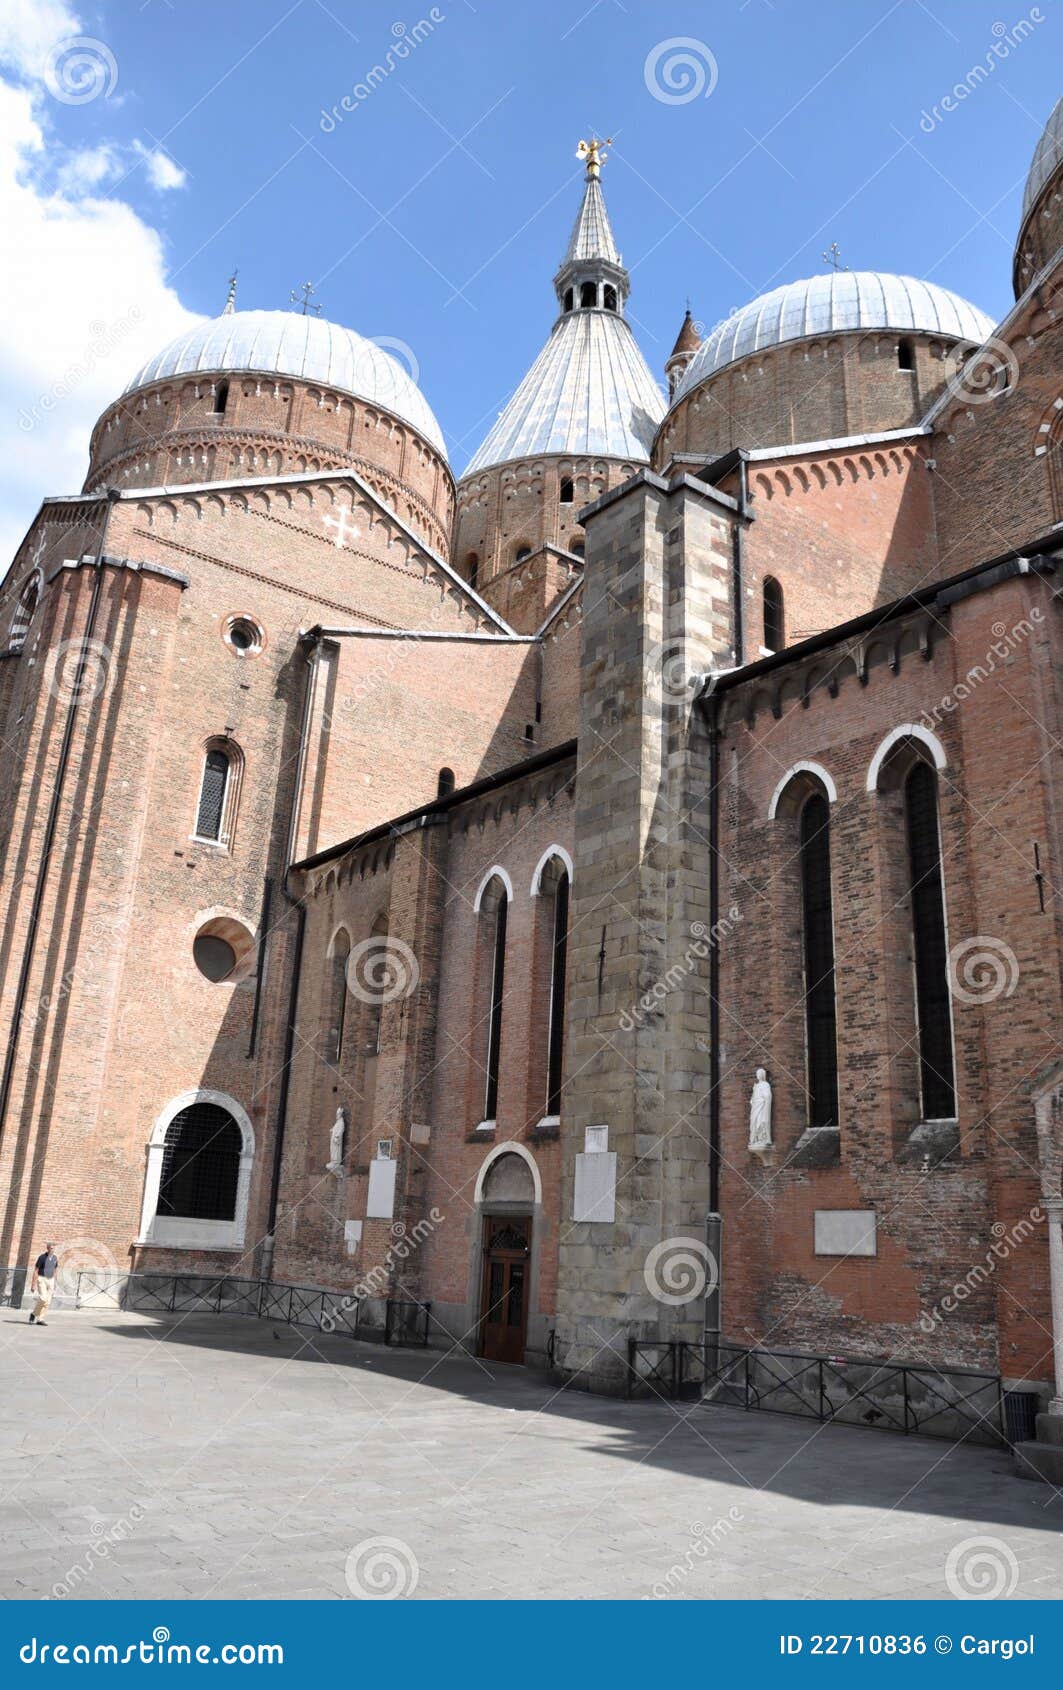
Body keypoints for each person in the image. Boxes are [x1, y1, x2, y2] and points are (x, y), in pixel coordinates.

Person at [29, 1243, 58, 1326]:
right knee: (43, 1299)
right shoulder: (42, 1258)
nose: (53, 1250)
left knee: (47, 1302)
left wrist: (55, 1282)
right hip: (42, 1279)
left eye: (54, 1248)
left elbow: (56, 1269)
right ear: (48, 1248)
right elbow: (36, 1270)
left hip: (51, 1280)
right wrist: (33, 1284)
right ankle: (34, 1314)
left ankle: (40, 1319)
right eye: (51, 1248)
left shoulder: (55, 1258)